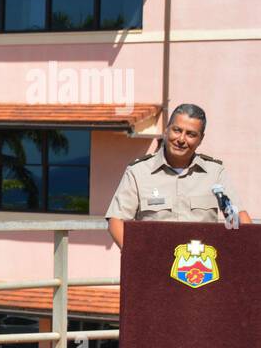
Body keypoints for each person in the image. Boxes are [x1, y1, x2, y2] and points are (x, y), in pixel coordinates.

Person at [105, 103, 252, 249]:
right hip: (153, 262)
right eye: (177, 130)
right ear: (166, 130)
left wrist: (248, 249)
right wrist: (137, 256)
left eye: (191, 134)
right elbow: (116, 221)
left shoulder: (215, 173)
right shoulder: (138, 172)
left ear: (200, 139)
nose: (181, 139)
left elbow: (238, 216)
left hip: (202, 267)